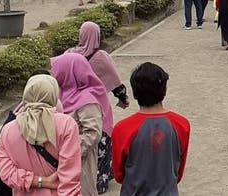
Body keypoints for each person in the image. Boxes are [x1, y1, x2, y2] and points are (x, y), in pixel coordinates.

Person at [111, 62, 190, 196]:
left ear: (135, 93)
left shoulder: (122, 128)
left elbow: (118, 174)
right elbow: (178, 172)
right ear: (164, 90)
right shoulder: (181, 124)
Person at [0, 74, 81, 196]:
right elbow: (69, 179)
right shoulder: (66, 124)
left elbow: (7, 173)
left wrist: (40, 181)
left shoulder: (8, 130)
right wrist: (48, 181)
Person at [51, 53, 114, 196]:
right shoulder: (61, 93)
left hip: (80, 162)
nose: (54, 73)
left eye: (58, 69)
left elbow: (93, 133)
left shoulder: (87, 100)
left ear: (68, 71)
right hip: (59, 162)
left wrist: (68, 150)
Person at [69, 21, 130, 108]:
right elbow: (113, 78)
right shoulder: (101, 57)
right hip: (94, 104)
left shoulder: (69, 54)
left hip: (71, 104)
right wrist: (123, 98)